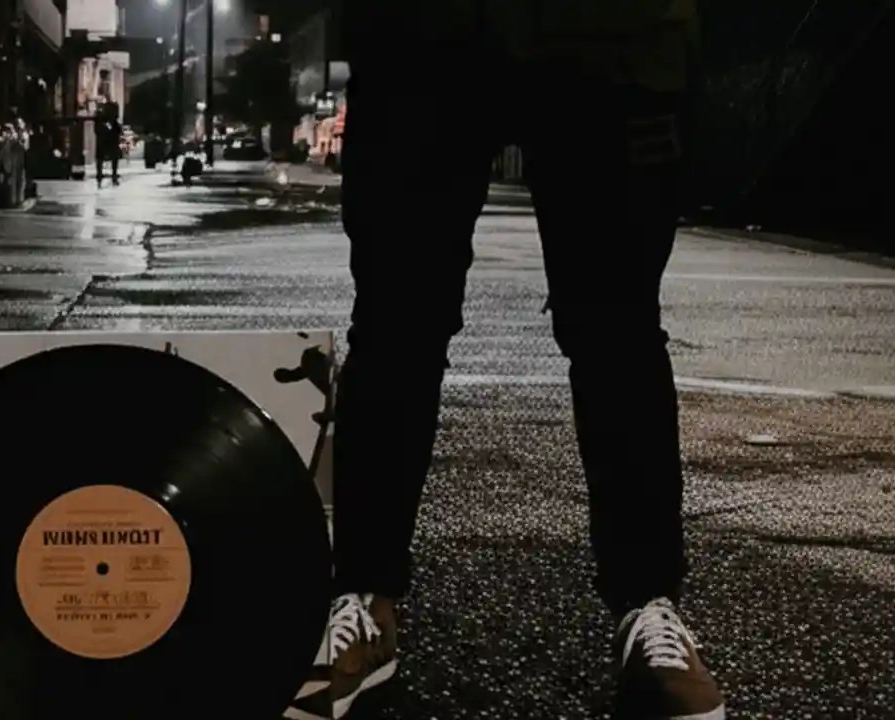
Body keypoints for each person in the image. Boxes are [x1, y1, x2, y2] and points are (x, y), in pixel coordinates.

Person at [306, 1, 726, 719]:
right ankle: (366, 596)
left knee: (617, 328)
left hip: (614, 39)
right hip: (422, 38)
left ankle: (647, 606)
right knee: (396, 319)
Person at [94, 103, 122, 186]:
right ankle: (112, 175)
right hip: (110, 141)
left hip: (105, 141)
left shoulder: (101, 120)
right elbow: (118, 130)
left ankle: (101, 176)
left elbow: (97, 130)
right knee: (112, 158)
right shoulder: (111, 121)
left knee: (101, 159)